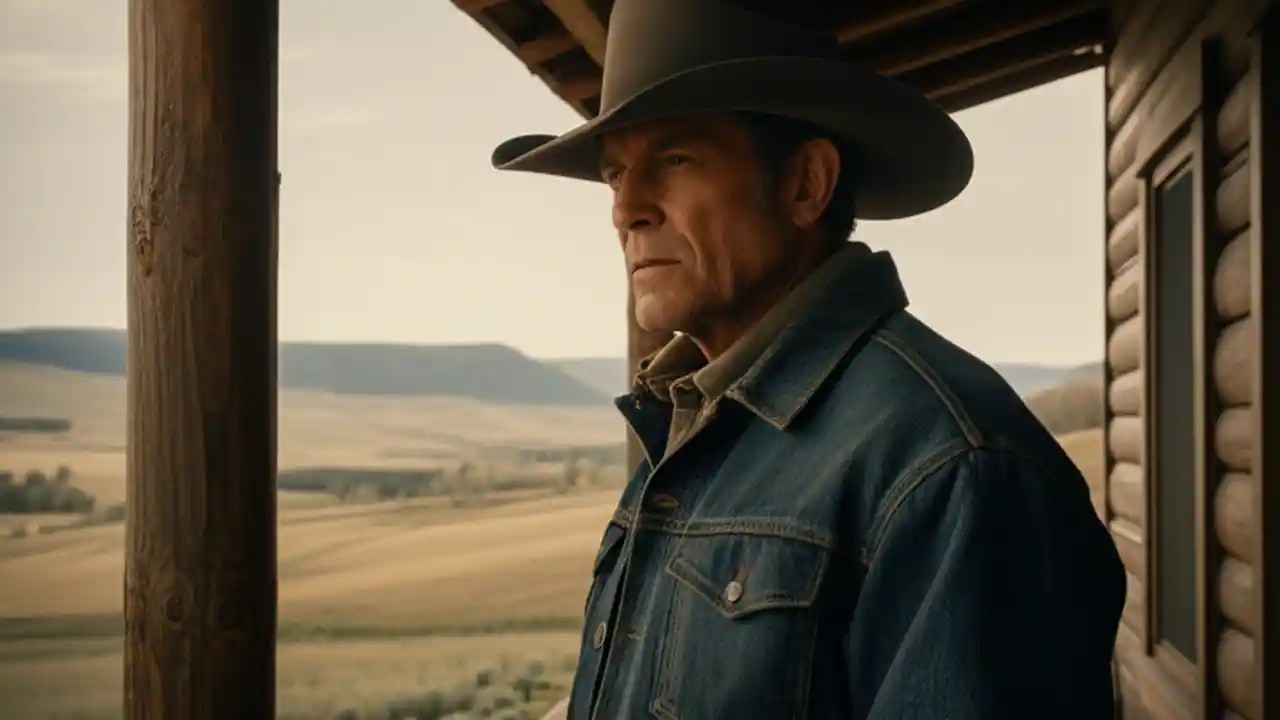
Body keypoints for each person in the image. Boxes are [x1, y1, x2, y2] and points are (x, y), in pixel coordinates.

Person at [492, 0, 1126, 717]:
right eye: (615, 175)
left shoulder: (955, 470)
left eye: (674, 158)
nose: (626, 208)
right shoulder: (693, 424)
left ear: (805, 185)